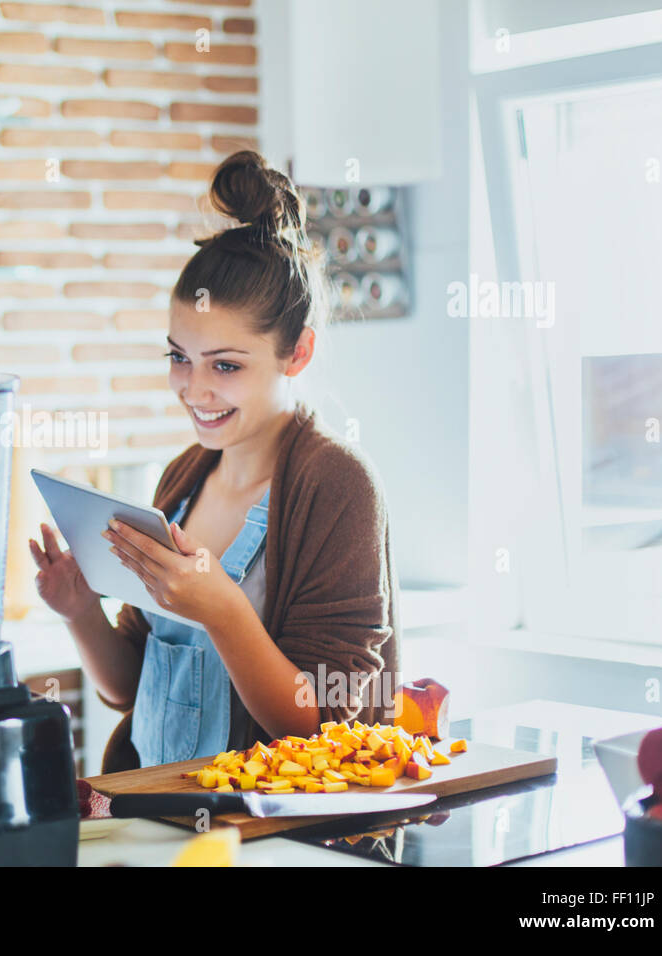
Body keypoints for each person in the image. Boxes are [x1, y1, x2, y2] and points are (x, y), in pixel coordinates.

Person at [29, 150, 400, 772]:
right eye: (181, 357)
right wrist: (79, 608)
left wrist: (220, 607)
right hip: (156, 821)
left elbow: (322, 723)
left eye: (225, 365)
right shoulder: (184, 475)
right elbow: (129, 689)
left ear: (297, 353)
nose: (193, 390)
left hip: (263, 836)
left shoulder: (336, 485)